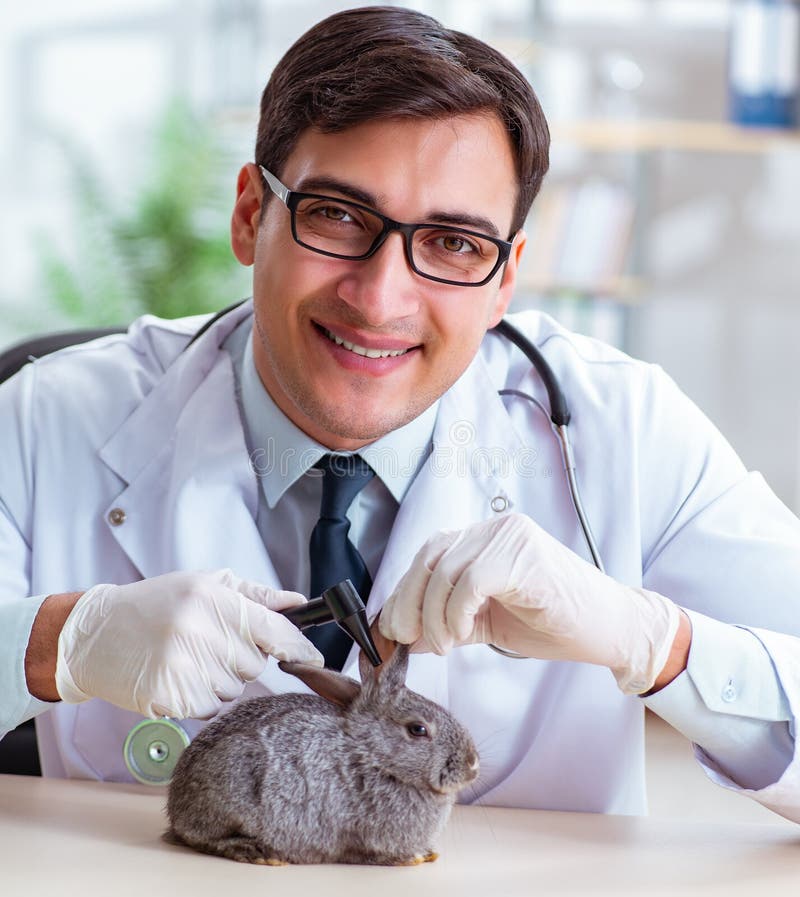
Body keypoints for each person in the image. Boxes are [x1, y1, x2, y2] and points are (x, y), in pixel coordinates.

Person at [1, 6, 799, 819]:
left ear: (506, 279)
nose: (379, 299)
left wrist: (654, 645)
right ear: (251, 215)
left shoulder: (627, 431)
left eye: (455, 243)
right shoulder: (49, 417)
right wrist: (55, 642)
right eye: (338, 216)